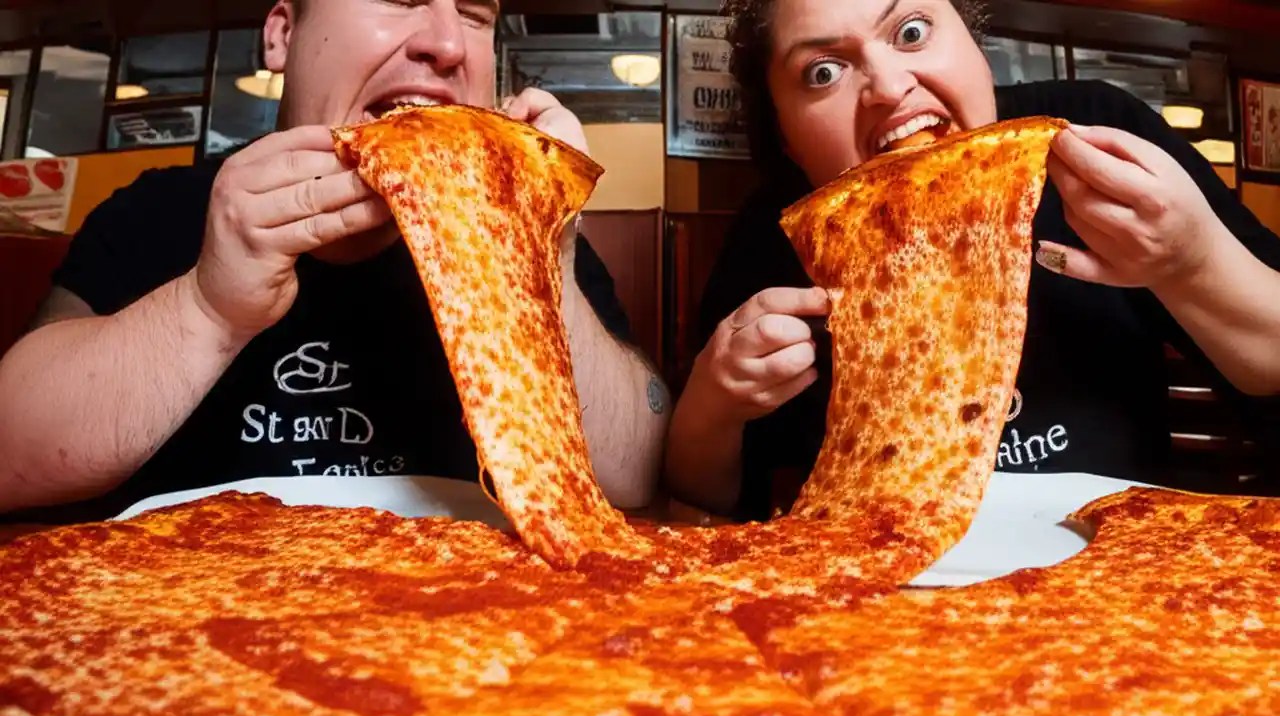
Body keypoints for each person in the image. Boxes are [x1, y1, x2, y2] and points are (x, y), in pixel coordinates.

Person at [0, 0, 671, 524]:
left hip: (470, 633)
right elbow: (11, 452)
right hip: (187, 616)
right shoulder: (157, 211)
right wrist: (208, 306)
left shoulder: (526, 228)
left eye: (472, 14)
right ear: (282, 36)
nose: (444, 42)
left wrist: (543, 252)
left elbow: (634, 475)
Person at [665, 0, 1280, 520]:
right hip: (882, 606)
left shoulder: (1095, 139)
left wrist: (1192, 264)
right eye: (823, 72)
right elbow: (707, 505)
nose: (888, 86)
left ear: (974, 41)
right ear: (786, 137)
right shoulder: (775, 237)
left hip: (1117, 577)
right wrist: (710, 405)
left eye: (911, 32)